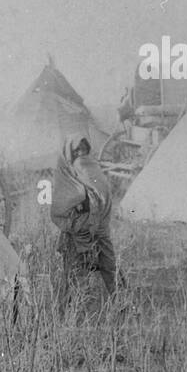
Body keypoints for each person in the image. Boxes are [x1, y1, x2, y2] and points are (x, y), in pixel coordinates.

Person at [50, 132, 118, 310]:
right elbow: (59, 209)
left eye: (84, 151)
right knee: (74, 274)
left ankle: (120, 305)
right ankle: (67, 311)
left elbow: (105, 197)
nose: (82, 156)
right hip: (76, 234)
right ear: (69, 155)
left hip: (100, 230)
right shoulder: (65, 178)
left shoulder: (92, 169)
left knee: (110, 268)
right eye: (77, 152)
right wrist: (80, 221)